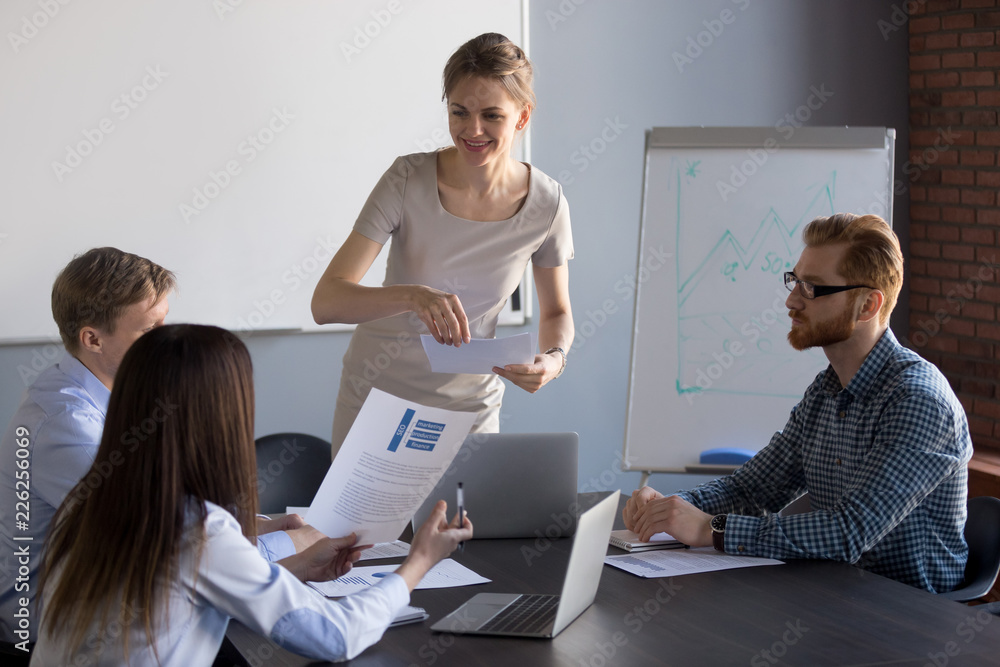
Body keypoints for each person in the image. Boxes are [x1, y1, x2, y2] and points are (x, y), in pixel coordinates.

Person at [32, 324, 473, 664]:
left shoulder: (87, 500)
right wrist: (419, 562)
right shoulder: (195, 529)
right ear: (223, 415)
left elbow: (182, 584)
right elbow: (335, 636)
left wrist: (298, 566)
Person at [623, 213, 972, 594]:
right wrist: (672, 507)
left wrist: (711, 528)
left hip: (909, 621)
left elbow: (849, 533)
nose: (791, 301)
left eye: (813, 289)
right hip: (833, 597)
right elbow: (752, 490)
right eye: (794, 282)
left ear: (868, 306)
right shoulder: (825, 390)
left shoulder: (919, 401)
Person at [0, 248, 314, 647]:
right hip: (46, 631)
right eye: (149, 330)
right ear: (92, 339)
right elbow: (166, 547)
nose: (164, 340)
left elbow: (173, 503)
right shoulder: (65, 425)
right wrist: (284, 547)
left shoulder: (115, 389)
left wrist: (253, 523)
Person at [312, 32, 575, 455]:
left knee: (466, 522)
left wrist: (554, 358)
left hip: (470, 408)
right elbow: (326, 303)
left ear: (522, 117)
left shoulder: (546, 204)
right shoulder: (405, 180)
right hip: (377, 396)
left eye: (492, 115)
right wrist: (413, 296)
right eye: (459, 112)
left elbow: (558, 311)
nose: (473, 130)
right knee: (369, 525)